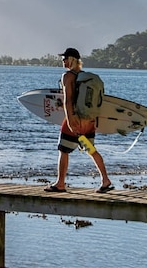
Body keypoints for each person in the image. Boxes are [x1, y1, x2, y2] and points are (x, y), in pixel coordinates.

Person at [45, 47, 114, 194]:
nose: (63, 61)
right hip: (88, 120)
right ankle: (105, 180)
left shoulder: (67, 76)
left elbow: (68, 100)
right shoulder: (85, 77)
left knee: (63, 150)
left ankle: (60, 183)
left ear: (71, 60)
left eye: (65, 59)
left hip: (75, 119)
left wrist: (70, 120)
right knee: (91, 150)